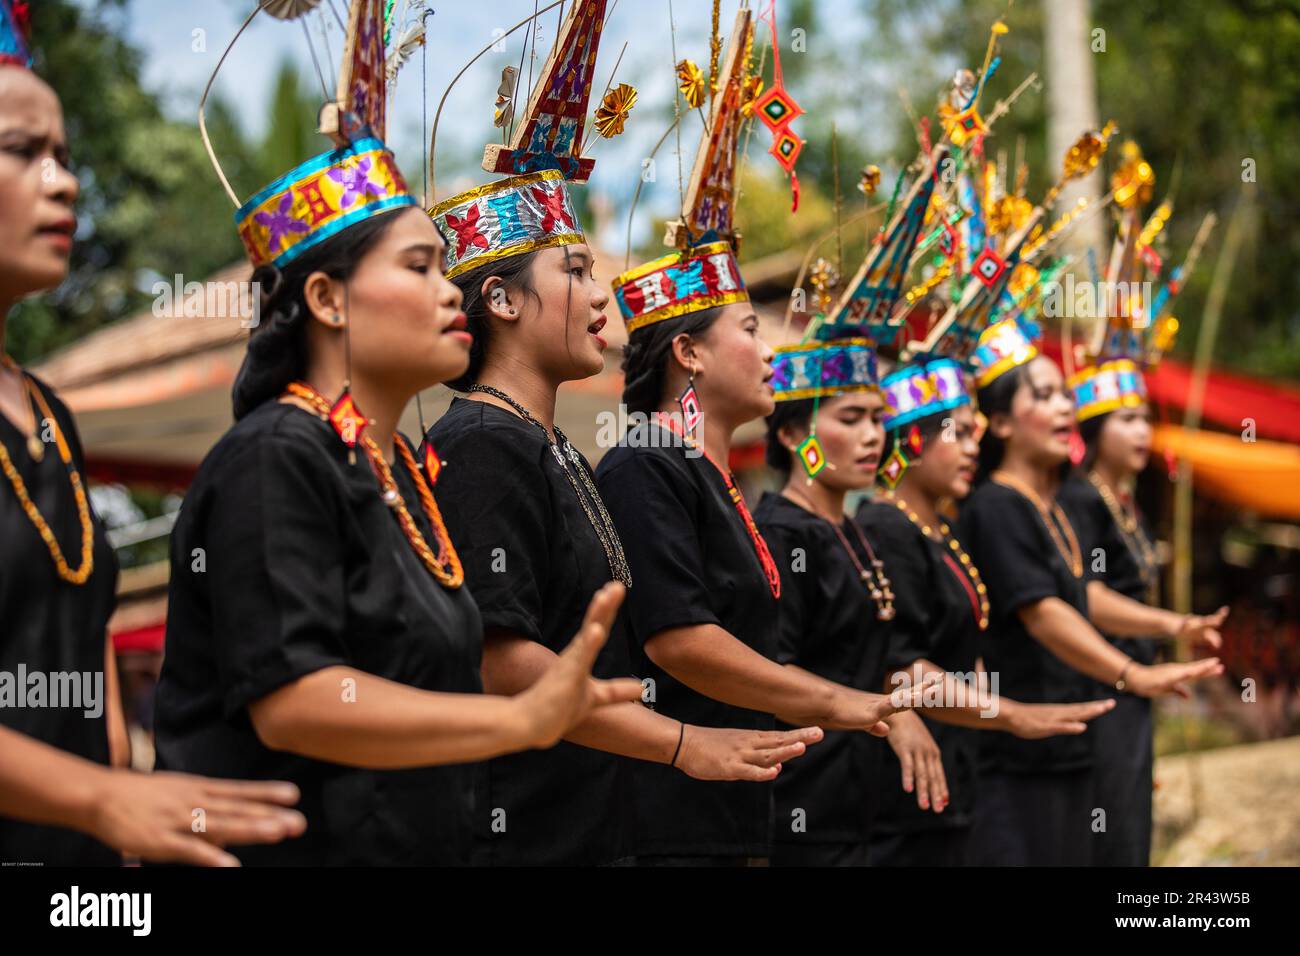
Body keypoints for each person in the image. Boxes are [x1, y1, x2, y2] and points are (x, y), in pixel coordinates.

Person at [154, 32, 642, 863]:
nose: (449, 291)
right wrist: (519, 719)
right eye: (420, 268)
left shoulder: (399, 473)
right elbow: (296, 700)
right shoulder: (275, 454)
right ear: (327, 299)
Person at [426, 168, 822, 866]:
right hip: (524, 833)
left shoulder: (553, 448)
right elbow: (499, 658)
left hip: (593, 825)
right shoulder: (483, 443)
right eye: (575, 270)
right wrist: (680, 740)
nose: (601, 293)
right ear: (502, 299)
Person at [0, 3, 304, 866]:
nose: (64, 183)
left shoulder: (47, 415)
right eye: (22, 151)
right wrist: (105, 797)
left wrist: (116, 800)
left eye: (65, 156)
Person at [960, 317, 1224, 865]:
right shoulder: (996, 506)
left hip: (1072, 735)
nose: (1065, 407)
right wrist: (1135, 672)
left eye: (1065, 394)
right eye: (1044, 396)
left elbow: (1081, 599)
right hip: (1024, 752)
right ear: (1001, 422)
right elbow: (1043, 611)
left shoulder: (1050, 508)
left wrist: (1173, 629)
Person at [858, 356, 1115, 866]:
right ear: (913, 441)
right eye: (958, 434)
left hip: (960, 767)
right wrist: (1013, 714)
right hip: (906, 781)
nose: (974, 448)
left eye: (975, 435)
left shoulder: (944, 531)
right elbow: (899, 668)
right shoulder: (885, 528)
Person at [757, 334, 952, 866]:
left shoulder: (851, 529)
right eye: (850, 418)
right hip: (803, 804)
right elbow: (772, 669)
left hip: (859, 803)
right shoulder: (782, 534)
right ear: (793, 433)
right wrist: (885, 711)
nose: (873, 435)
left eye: (877, 418)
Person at [1060, 356, 1226, 865]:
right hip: (1102, 679)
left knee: (1132, 823)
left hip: (1133, 682)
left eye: (1145, 419)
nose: (1143, 432)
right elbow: (1088, 597)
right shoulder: (1079, 498)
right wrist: (1176, 625)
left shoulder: (1127, 502)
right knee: (1111, 829)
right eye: (1127, 419)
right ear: (1094, 428)